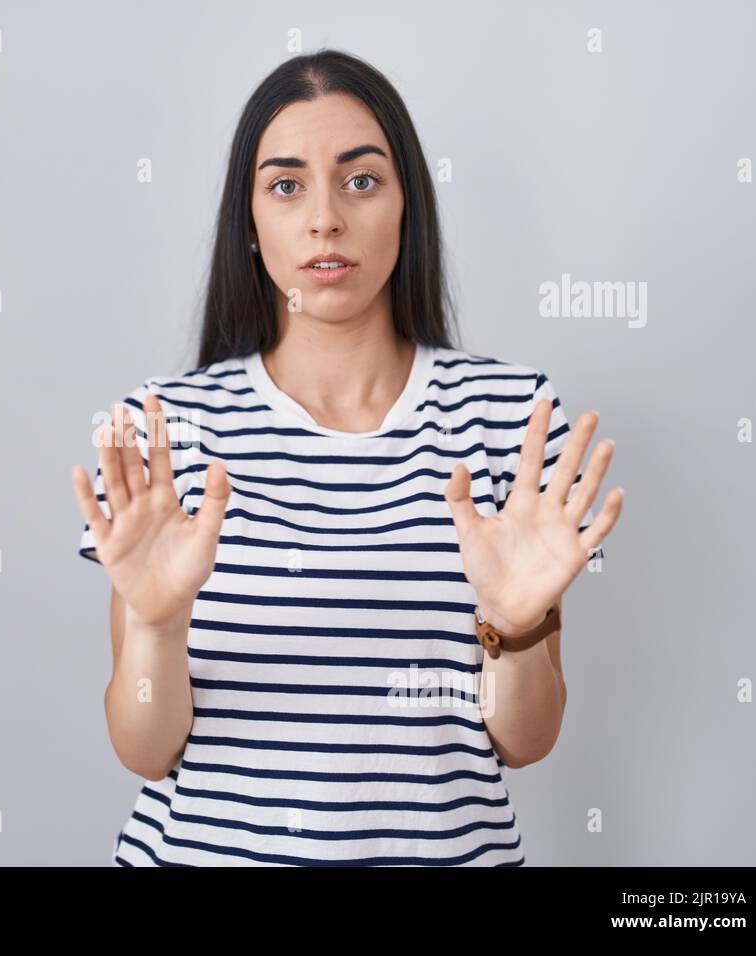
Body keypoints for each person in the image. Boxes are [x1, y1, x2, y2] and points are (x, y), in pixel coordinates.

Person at [70, 49, 623, 866]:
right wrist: (156, 623)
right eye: (286, 185)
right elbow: (145, 750)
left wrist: (517, 624)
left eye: (361, 180)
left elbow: (525, 741)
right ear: (250, 225)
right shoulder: (164, 425)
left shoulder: (509, 415)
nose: (325, 217)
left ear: (407, 206)